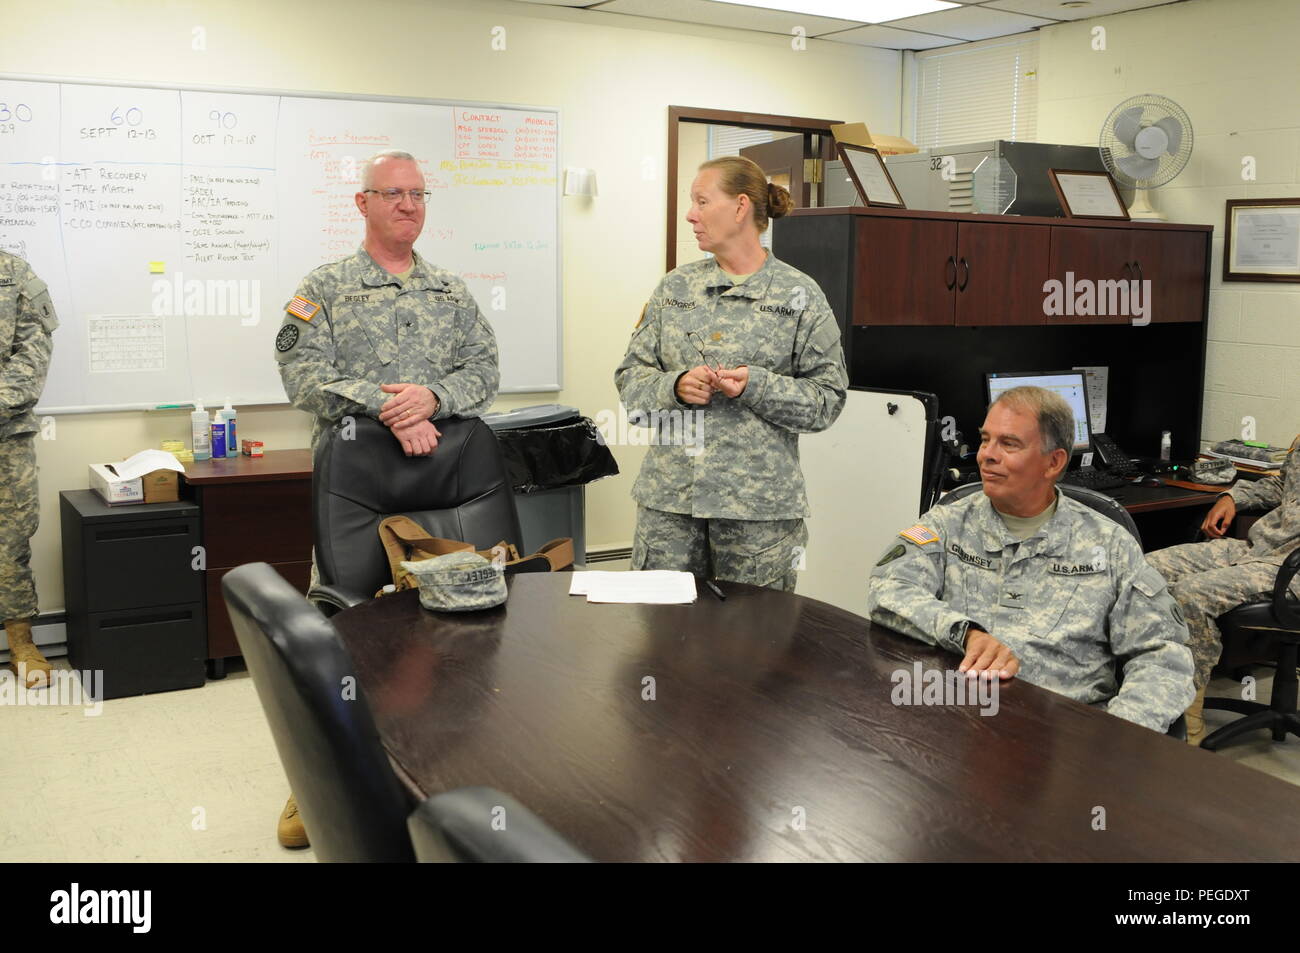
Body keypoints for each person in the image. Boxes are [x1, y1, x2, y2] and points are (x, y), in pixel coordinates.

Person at [273, 150, 499, 848]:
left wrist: (434, 397)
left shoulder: (452, 291)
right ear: (362, 203)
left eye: (418, 195)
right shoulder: (326, 286)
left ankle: (428, 771)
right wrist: (390, 406)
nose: (408, 205)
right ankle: (313, 782)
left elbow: (485, 368)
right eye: (393, 194)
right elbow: (300, 372)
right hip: (354, 484)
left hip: (442, 483)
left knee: (442, 648)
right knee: (340, 638)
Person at [868, 386, 1194, 733]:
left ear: (1053, 462)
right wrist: (965, 634)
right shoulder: (949, 522)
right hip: (959, 726)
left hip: (1065, 739)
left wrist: (1119, 737)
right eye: (985, 439)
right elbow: (889, 588)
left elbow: (1162, 656)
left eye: (1009, 444)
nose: (986, 456)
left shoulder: (1109, 546)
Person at [613, 156, 847, 592]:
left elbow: (827, 400)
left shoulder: (800, 295)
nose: (690, 214)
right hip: (670, 508)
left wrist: (756, 386)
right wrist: (675, 386)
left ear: (741, 207)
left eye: (702, 201)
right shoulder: (674, 289)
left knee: (754, 647)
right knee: (660, 643)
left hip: (758, 515)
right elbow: (630, 380)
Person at [1146, 433, 1300, 744]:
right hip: (1258, 549)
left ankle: (1186, 727)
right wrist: (1232, 498)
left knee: (1191, 595)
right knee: (1146, 571)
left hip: (1293, 569)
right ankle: (1146, 689)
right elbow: (1283, 484)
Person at [1, 251, 57, 691]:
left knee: (11, 537)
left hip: (5, 432)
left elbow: (34, 351)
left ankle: (21, 642)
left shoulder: (13, 272)